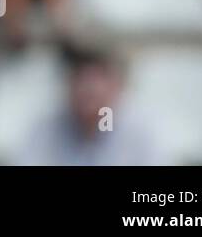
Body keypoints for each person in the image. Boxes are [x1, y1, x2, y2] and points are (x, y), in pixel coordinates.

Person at [16, 41, 169, 166]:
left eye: (99, 76)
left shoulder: (141, 134)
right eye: (80, 75)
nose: (88, 86)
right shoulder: (44, 131)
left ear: (119, 84)